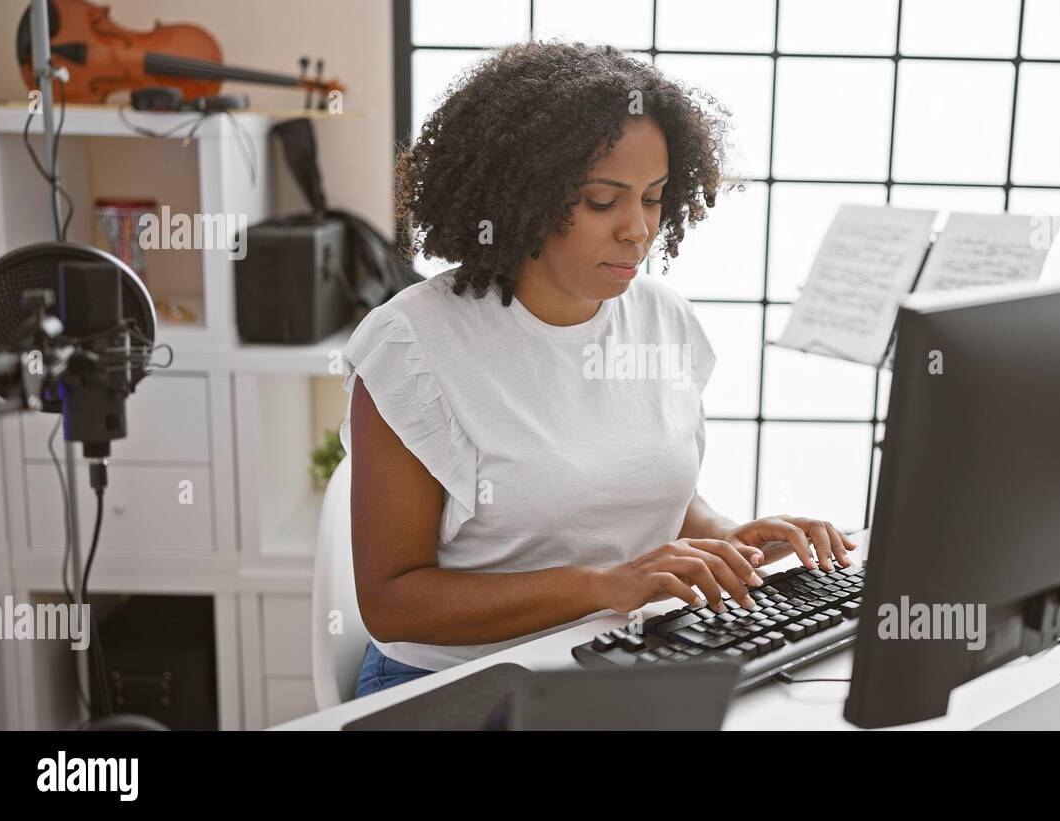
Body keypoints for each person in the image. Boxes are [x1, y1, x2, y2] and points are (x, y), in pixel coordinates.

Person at [345, 41, 857, 698]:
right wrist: (604, 586)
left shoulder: (663, 320)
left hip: (616, 660)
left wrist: (731, 538)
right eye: (601, 200)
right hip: (454, 685)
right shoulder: (414, 344)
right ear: (521, 195)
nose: (639, 230)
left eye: (653, 197)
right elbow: (392, 600)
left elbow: (635, 497)